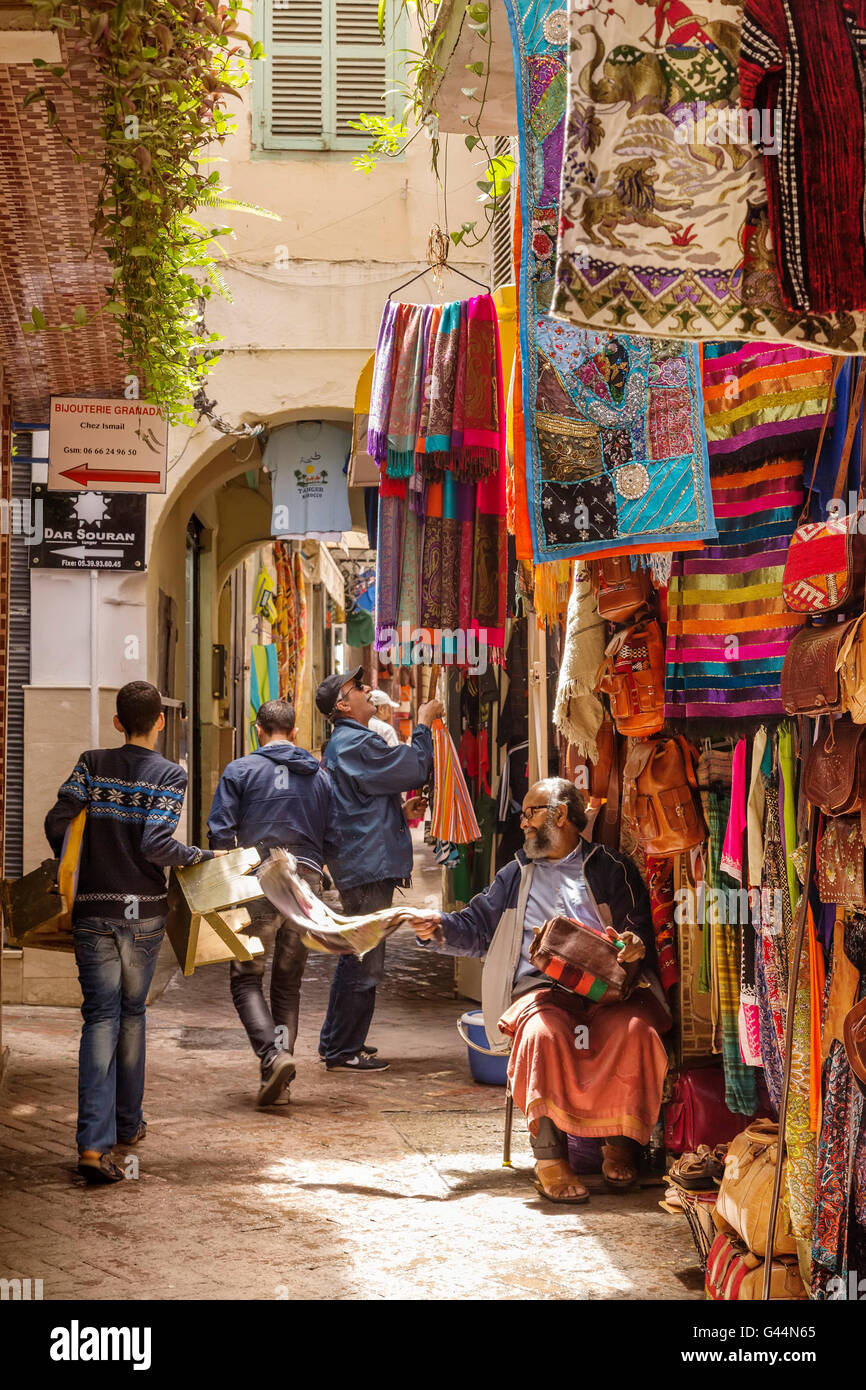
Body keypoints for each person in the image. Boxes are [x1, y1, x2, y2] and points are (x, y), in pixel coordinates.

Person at [414, 778, 671, 1203]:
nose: (523, 824)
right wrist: (436, 928)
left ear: (562, 816)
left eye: (531, 813)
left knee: (636, 1033)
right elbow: (477, 929)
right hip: (542, 988)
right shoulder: (515, 875)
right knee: (542, 1036)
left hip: (607, 989)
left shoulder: (611, 867)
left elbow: (637, 929)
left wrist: (633, 946)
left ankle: (620, 1143)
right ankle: (550, 1158)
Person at [44, 681, 217, 1186]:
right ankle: (127, 1124)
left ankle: (93, 1148)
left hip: (93, 910)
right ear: (160, 721)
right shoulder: (168, 775)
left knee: (100, 1017)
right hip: (143, 914)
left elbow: (58, 822)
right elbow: (157, 844)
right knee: (132, 1013)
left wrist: (83, 851)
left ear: (118, 722)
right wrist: (200, 857)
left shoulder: (91, 763)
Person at [207, 698, 340, 1106]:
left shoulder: (239, 771)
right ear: (295, 732)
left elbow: (219, 836)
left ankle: (271, 1055)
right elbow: (334, 838)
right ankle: (279, 1076)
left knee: (247, 977)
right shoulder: (320, 776)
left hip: (258, 885)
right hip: (306, 887)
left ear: (258, 731)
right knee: (288, 983)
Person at [315, 666, 441, 1072]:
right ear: (342, 704)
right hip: (365, 866)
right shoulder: (354, 744)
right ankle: (342, 1050)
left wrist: (398, 812)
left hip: (364, 860)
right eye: (358, 687)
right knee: (365, 960)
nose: (368, 689)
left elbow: (362, 804)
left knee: (356, 953)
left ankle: (338, 1043)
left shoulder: (351, 743)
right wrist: (423, 724)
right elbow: (413, 768)